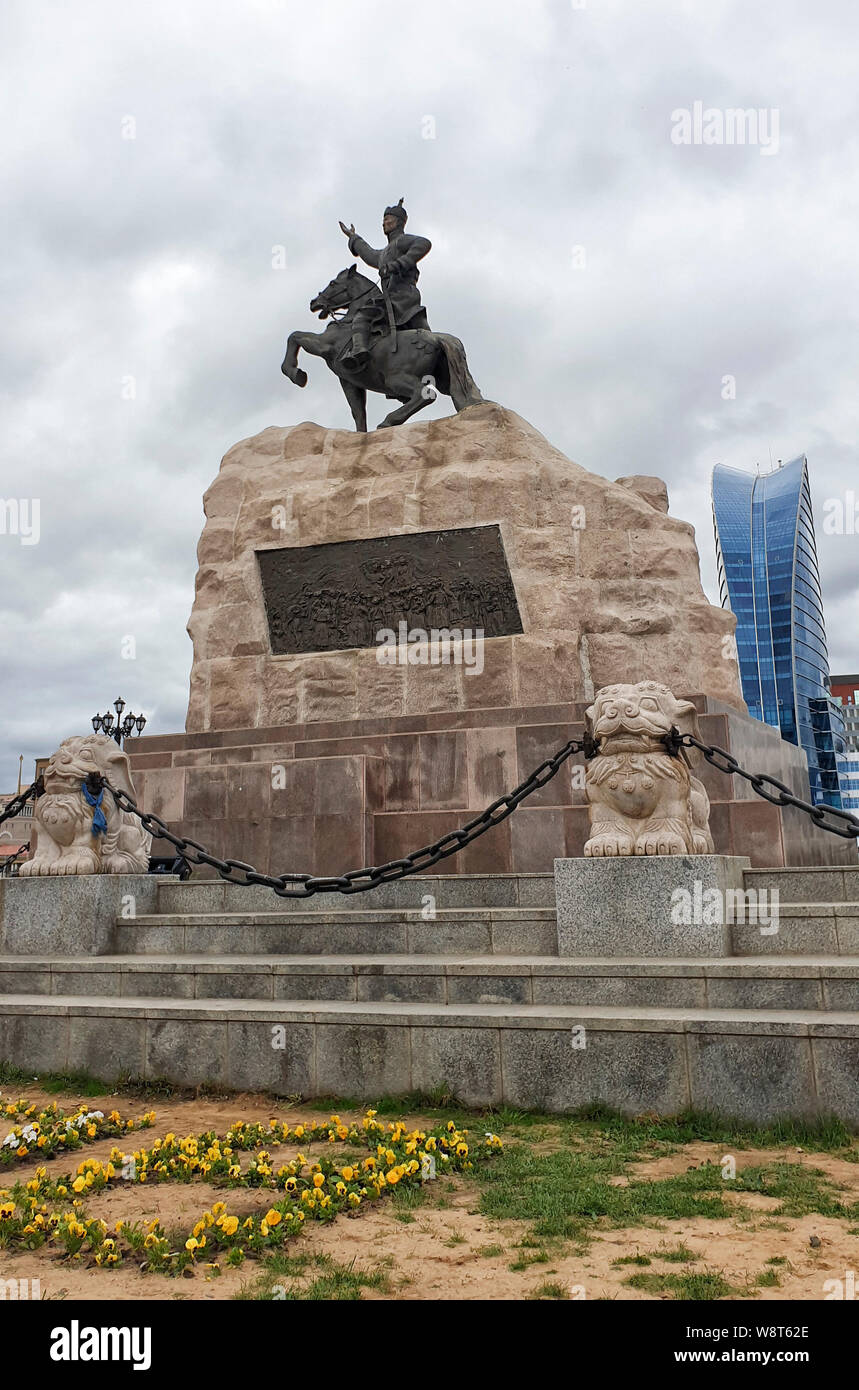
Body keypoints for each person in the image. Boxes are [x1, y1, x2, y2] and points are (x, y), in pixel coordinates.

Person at [338, 199, 431, 369]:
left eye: (388, 219)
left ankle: (359, 351)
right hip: (395, 298)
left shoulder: (401, 241)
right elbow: (370, 254)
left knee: (363, 316)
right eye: (383, 220)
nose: (384, 223)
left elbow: (424, 243)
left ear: (399, 223)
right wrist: (353, 237)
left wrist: (398, 264)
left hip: (402, 296)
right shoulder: (385, 253)